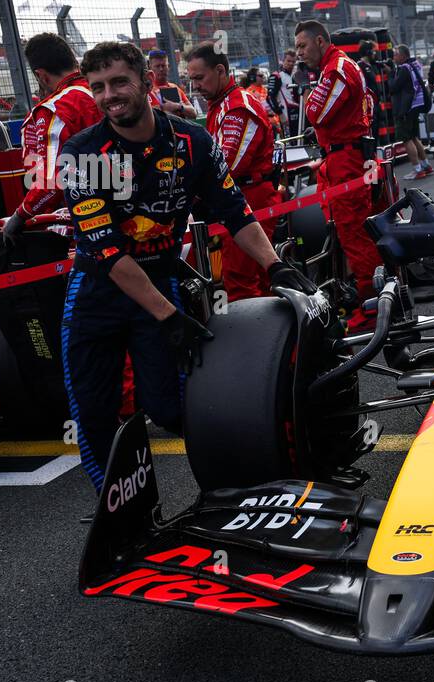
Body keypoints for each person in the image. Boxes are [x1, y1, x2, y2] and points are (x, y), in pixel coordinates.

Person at [59, 40, 308, 493]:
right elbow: (110, 252)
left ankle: (231, 488)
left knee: (174, 407)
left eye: (119, 82)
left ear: (148, 83)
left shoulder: (193, 141)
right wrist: (170, 317)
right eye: (98, 87)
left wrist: (276, 267)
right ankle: (115, 512)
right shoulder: (85, 154)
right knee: (95, 413)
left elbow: (235, 212)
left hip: (160, 282)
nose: (109, 95)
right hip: (98, 293)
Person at [295, 19, 383, 322]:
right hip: (343, 158)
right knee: (351, 235)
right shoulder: (337, 68)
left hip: (347, 161)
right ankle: (366, 298)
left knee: (355, 235)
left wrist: (309, 89)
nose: (299, 54)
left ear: (320, 41)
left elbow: (315, 114)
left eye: (302, 46)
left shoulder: (337, 70)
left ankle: (372, 310)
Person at [184, 41, 284, 301]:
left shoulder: (237, 107)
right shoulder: (221, 104)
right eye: (191, 79)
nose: (195, 85)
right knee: (253, 278)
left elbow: (227, 165)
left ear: (219, 70)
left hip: (251, 197)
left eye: (198, 78)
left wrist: (190, 191)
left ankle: (257, 339)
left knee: (241, 280)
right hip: (237, 196)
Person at [3, 33, 103, 239]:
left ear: (41, 75)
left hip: (93, 216)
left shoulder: (56, 107)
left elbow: (51, 182)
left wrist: (20, 216)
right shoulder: (108, 89)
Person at [392, 44, 433, 181]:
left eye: (396, 54)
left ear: (403, 55)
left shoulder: (404, 69)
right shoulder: (415, 64)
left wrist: (389, 74)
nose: (394, 57)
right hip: (415, 105)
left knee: (407, 139)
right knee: (415, 137)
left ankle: (417, 169)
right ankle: (425, 165)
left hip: (406, 108)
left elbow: (394, 87)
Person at [145, 49, 198, 120]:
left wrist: (178, 106)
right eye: (157, 66)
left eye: (163, 66)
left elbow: (193, 113)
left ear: (168, 67)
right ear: (150, 67)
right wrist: (164, 109)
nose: (161, 69)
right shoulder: (147, 91)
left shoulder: (174, 87)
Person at [266, 49, 301, 136]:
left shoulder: (297, 75)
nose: (291, 63)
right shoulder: (277, 76)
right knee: (291, 145)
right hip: (286, 117)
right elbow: (270, 98)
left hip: (299, 115)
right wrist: (281, 115)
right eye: (288, 61)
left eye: (293, 61)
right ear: (283, 60)